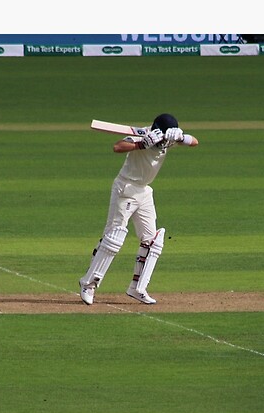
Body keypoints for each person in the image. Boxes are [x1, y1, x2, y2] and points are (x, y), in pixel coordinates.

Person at [79, 113, 199, 306]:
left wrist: (180, 137)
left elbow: (195, 142)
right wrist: (141, 144)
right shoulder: (142, 134)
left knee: (152, 241)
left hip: (143, 192)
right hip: (126, 188)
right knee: (114, 238)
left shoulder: (168, 139)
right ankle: (88, 284)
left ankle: (137, 288)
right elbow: (117, 146)